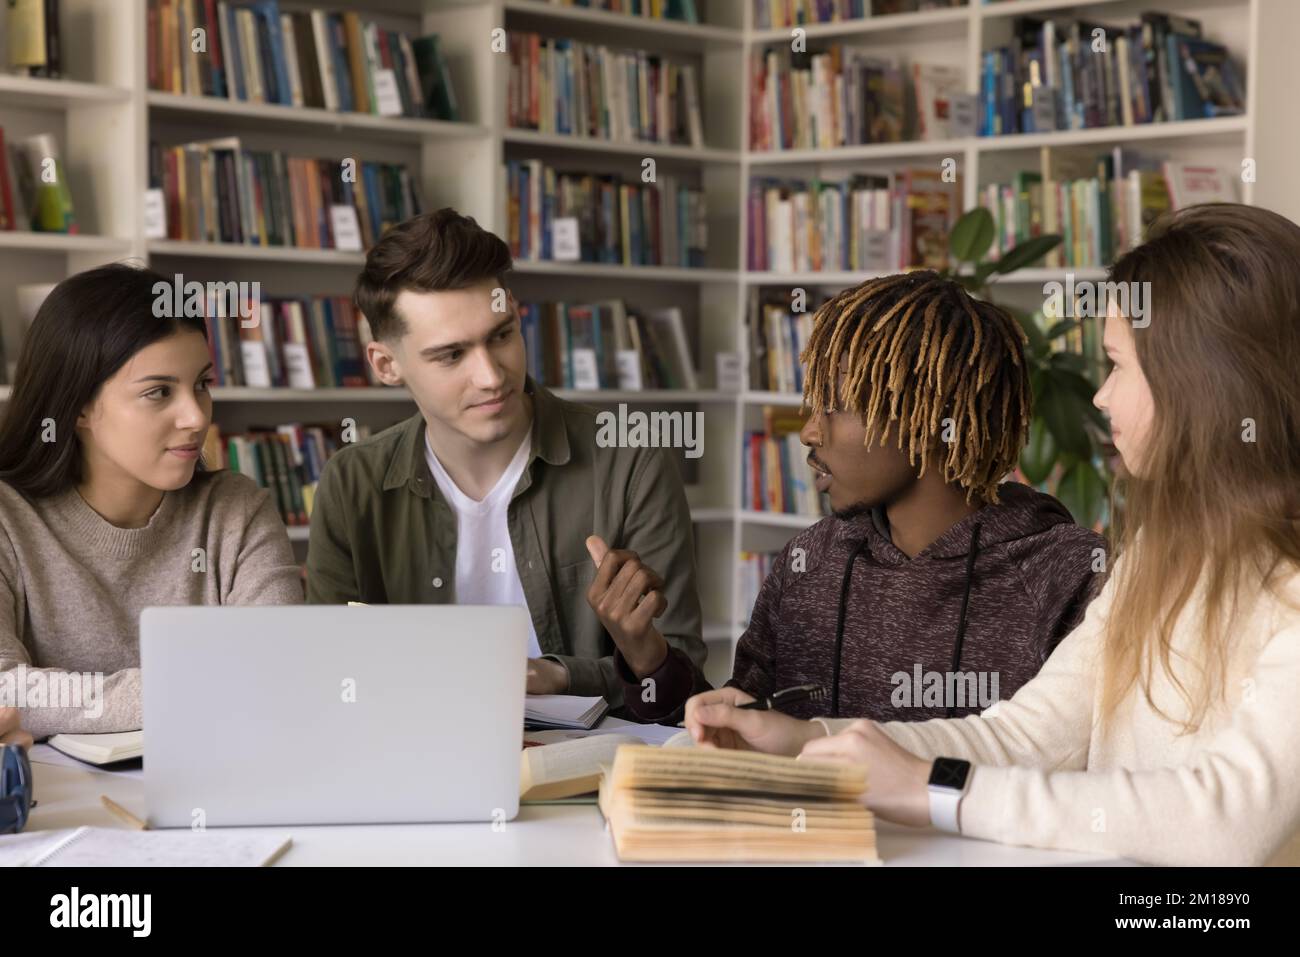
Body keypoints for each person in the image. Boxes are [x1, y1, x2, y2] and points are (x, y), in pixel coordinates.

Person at [686, 203, 1300, 866]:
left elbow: (1223, 823)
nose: (1099, 397)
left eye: (1118, 366)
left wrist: (933, 789)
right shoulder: (1160, 555)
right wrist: (808, 739)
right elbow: (1027, 735)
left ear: (1198, 384)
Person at [306, 208, 708, 722]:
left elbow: (686, 682)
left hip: (586, 776)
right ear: (386, 365)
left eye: (500, 335)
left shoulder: (631, 460)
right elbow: (333, 679)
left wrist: (561, 674)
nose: (492, 376)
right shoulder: (351, 482)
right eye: (451, 356)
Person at [732, 270, 1104, 721]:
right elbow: (744, 719)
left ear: (928, 418)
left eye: (834, 405)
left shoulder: (1070, 576)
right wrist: (652, 662)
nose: (809, 431)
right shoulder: (810, 558)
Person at [0, 263, 303, 740]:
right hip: (59, 806)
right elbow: (5, 692)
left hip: (217, 790)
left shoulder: (236, 510)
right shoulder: (7, 519)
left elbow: (279, 671)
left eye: (202, 384)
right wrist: (196, 689)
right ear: (78, 404)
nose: (195, 416)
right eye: (158, 392)